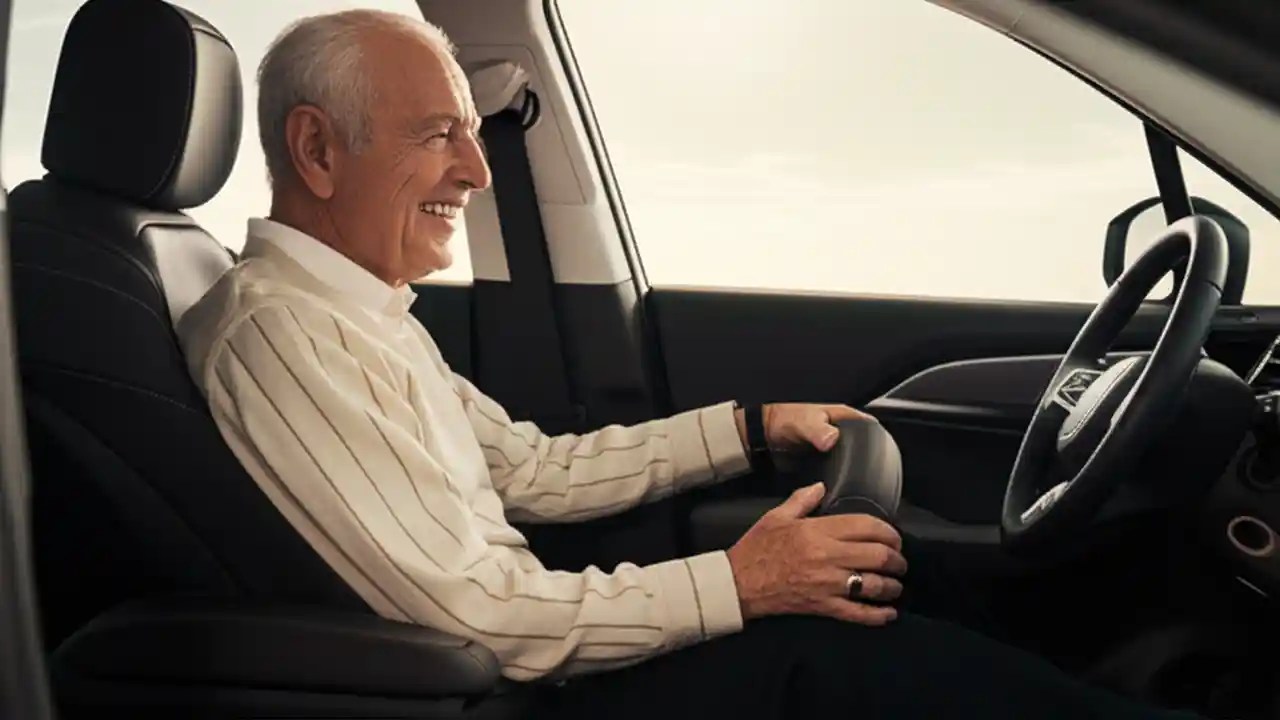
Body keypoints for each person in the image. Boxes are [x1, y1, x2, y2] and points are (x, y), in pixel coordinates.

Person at [176, 9, 1202, 719]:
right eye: (439, 133)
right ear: (318, 151)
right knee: (844, 650)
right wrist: (739, 582)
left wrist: (748, 428)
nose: (477, 170)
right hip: (508, 696)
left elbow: (532, 470)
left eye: (473, 134)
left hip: (529, 662)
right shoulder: (284, 334)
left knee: (885, 572)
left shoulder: (358, 315)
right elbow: (472, 615)